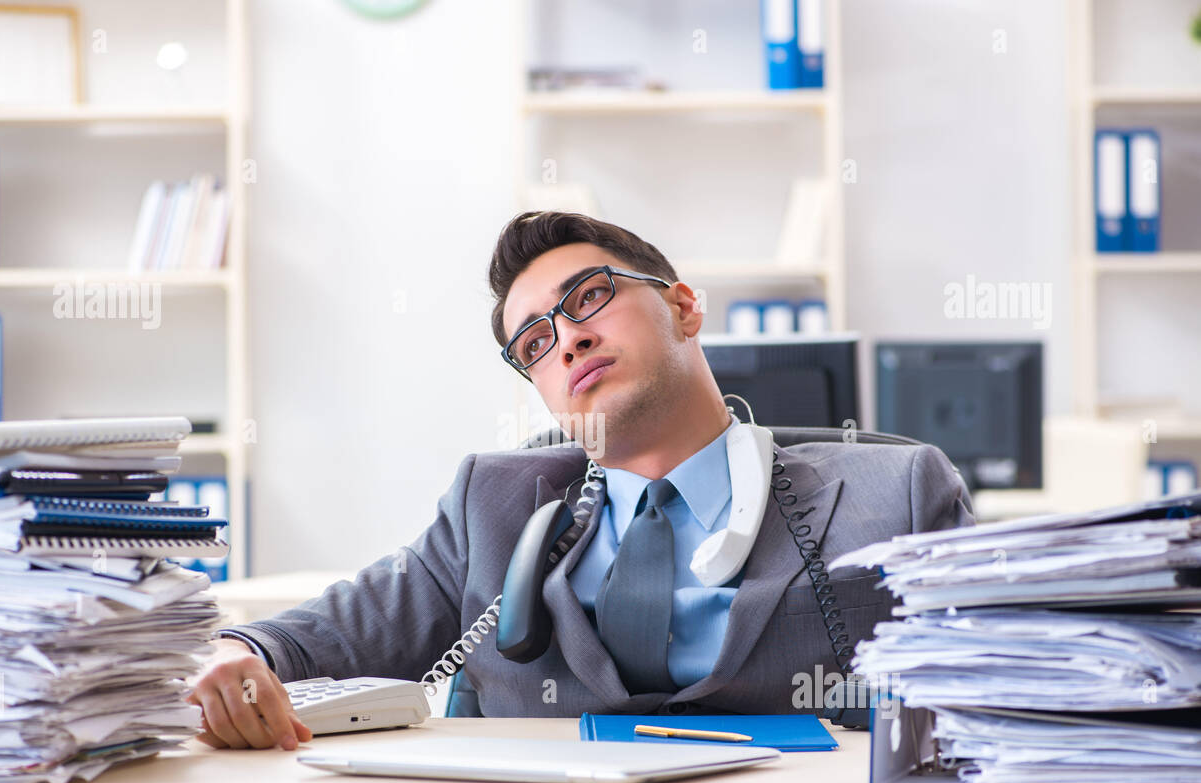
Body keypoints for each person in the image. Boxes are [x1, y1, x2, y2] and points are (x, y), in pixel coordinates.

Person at [190, 211, 974, 750]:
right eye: (535, 340)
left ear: (685, 308)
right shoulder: (494, 506)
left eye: (589, 297)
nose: (568, 339)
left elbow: (1019, 689)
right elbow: (318, 636)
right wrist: (232, 654)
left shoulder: (896, 493)